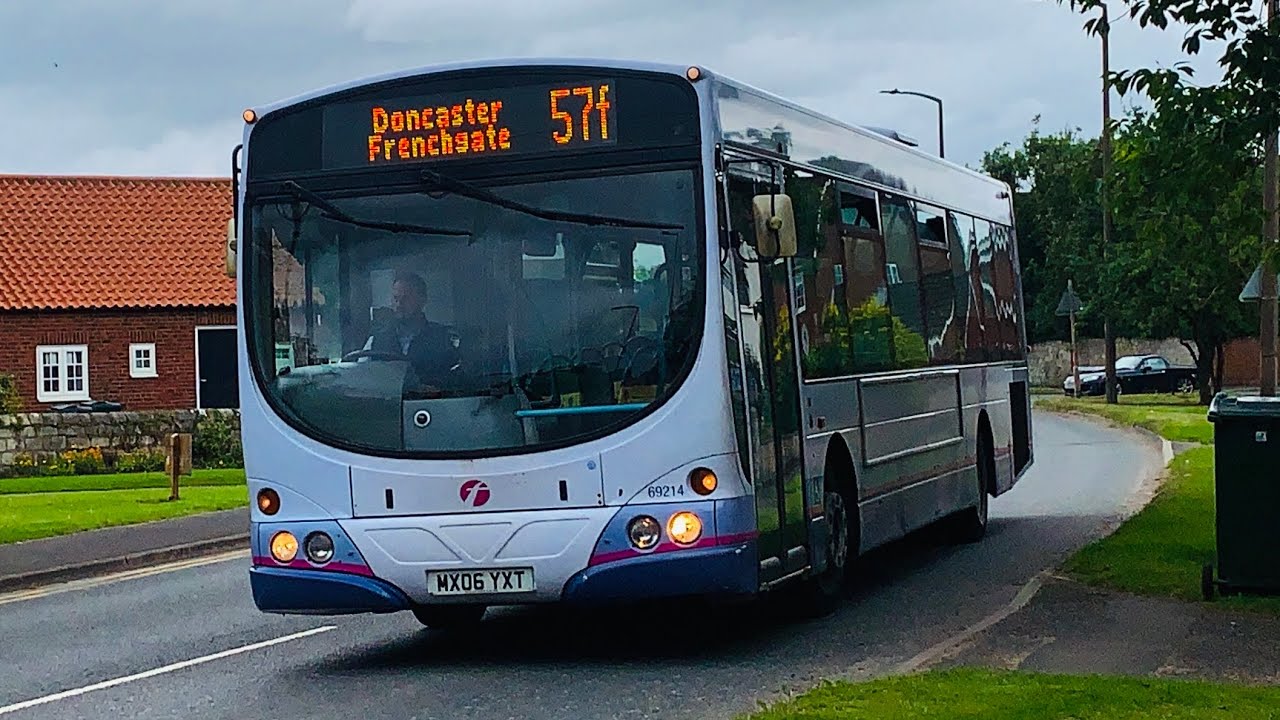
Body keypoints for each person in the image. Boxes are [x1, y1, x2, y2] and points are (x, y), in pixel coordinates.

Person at [364, 270, 460, 388]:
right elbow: (362, 379)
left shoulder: (443, 339)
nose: (399, 304)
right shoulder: (376, 340)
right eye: (396, 299)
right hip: (387, 404)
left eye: (406, 298)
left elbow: (454, 382)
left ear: (423, 300)